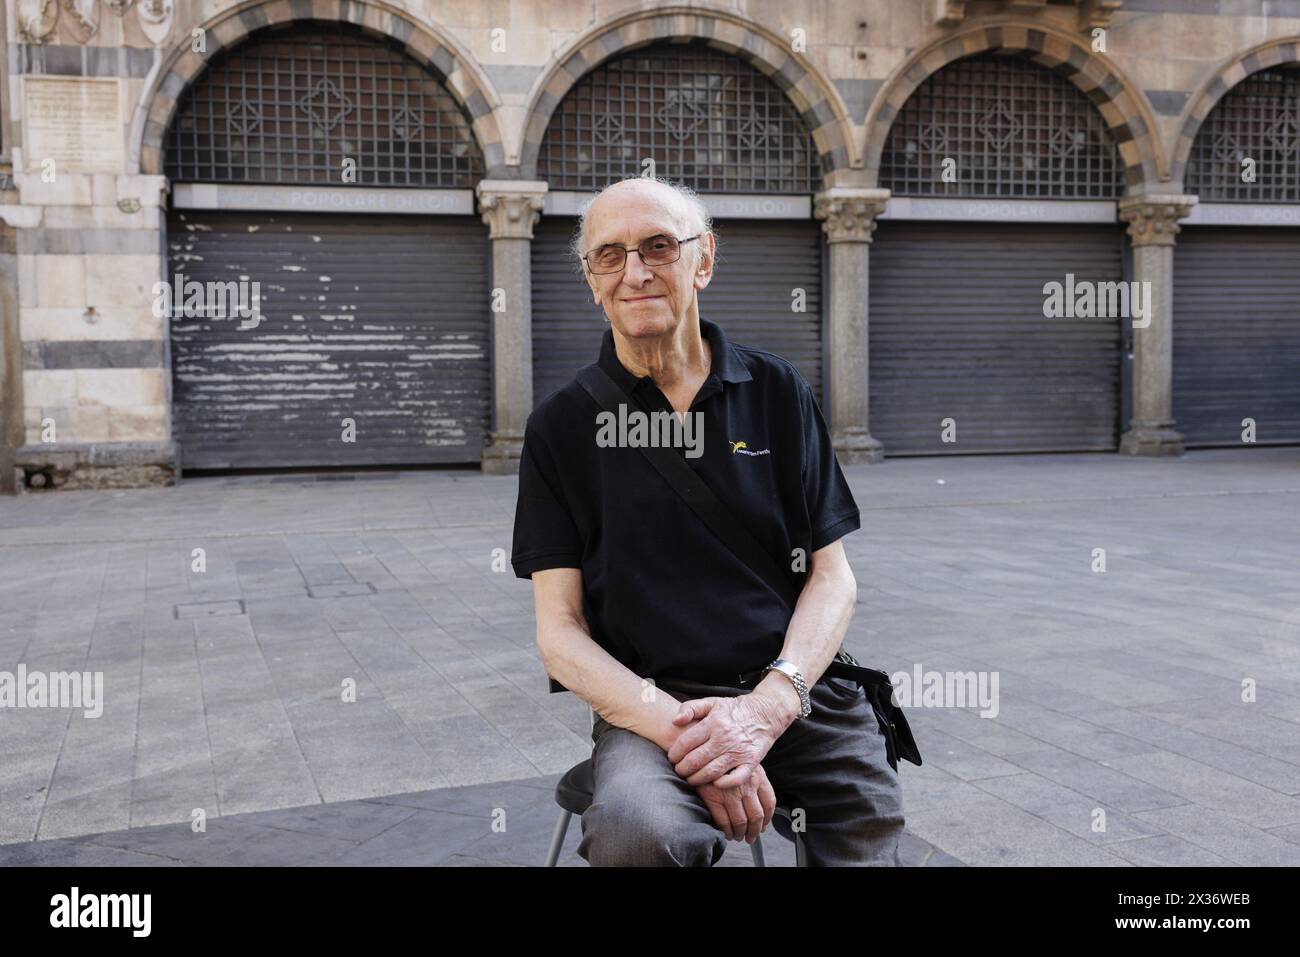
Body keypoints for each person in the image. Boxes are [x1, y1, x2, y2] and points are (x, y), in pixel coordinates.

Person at [510, 176, 905, 866]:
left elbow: (832, 578)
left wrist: (764, 710)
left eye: (659, 246)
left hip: (788, 687)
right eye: (611, 255)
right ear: (591, 280)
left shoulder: (779, 393)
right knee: (638, 831)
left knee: (866, 812)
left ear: (705, 259)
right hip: (652, 707)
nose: (635, 271)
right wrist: (698, 734)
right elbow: (559, 632)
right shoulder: (559, 428)